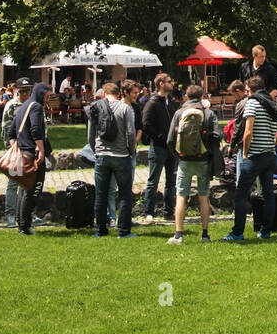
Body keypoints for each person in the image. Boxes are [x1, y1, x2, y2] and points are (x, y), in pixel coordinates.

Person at [224, 76, 277, 242]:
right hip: (270, 155)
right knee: (268, 193)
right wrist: (272, 142)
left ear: (253, 91)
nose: (247, 94)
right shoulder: (273, 104)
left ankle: (237, 232)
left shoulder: (252, 103)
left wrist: (244, 153)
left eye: (247, 91)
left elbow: (248, 131)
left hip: (254, 156)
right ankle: (265, 231)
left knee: (241, 194)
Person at [166, 84, 219, 244]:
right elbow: (218, 135)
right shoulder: (208, 113)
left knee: (181, 195)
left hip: (184, 160)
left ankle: (178, 235)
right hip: (203, 159)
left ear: (186, 97)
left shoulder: (179, 113)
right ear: (202, 97)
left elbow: (170, 140)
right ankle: (204, 235)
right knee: (204, 196)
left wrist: (178, 154)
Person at [92, 80, 138, 238]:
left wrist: (95, 149)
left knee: (101, 193)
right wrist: (131, 149)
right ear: (119, 94)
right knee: (124, 194)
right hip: (121, 155)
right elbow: (131, 133)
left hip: (101, 155)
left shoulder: (96, 107)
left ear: (104, 94)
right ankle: (124, 231)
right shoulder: (125, 108)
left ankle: (100, 230)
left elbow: (90, 133)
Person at [13, 82, 49, 235]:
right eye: (46, 95)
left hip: (23, 152)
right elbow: (36, 129)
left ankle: (20, 222)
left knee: (23, 189)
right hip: (32, 154)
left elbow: (11, 133)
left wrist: (17, 148)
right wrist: (40, 150)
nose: (48, 98)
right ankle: (25, 226)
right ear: (40, 93)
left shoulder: (24, 106)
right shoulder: (36, 107)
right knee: (33, 190)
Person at [141, 73, 178, 224]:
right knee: (153, 181)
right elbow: (146, 124)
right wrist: (160, 137)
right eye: (169, 81)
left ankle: (168, 211)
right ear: (161, 84)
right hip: (158, 147)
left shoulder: (171, 102)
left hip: (171, 148)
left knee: (171, 181)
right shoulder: (153, 102)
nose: (172, 84)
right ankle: (148, 212)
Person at [0, 78, 32, 227]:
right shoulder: (11, 106)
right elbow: (6, 129)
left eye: (28, 90)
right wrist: (11, 149)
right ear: (17, 91)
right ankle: (11, 215)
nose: (25, 94)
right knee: (13, 183)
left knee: (30, 183)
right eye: (23, 91)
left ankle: (29, 214)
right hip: (16, 150)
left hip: (30, 149)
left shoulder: (33, 105)